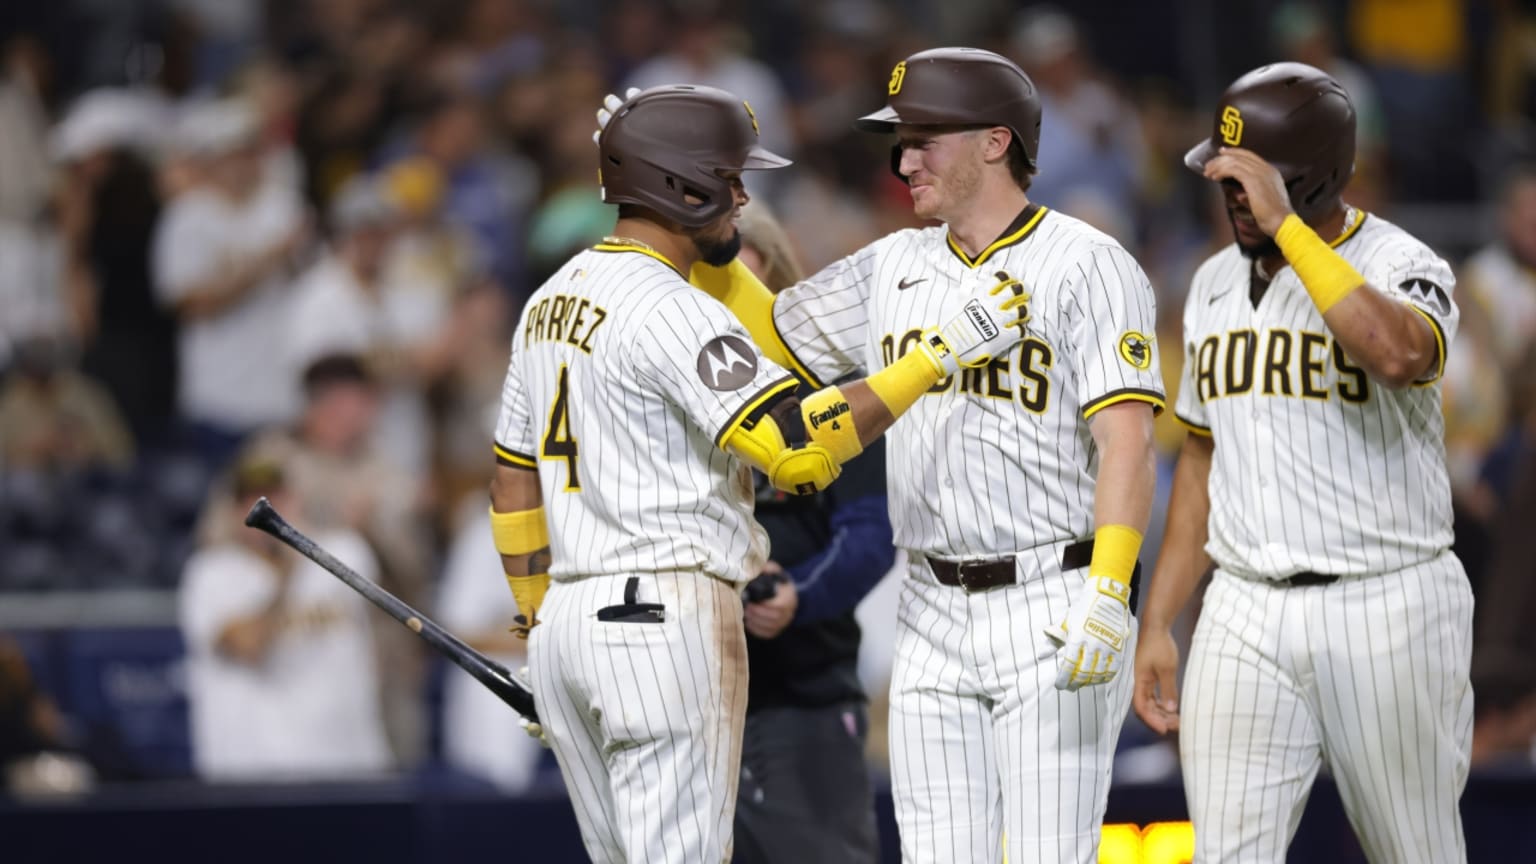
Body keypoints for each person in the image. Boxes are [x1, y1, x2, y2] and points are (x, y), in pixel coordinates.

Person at [621, 46, 1167, 862]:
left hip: (1050, 598)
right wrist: (672, 195)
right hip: (930, 604)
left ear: (994, 141)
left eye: (923, 139)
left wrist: (1110, 587)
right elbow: (761, 334)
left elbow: (1127, 440)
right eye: (900, 141)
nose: (903, 160)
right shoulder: (893, 264)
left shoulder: (1087, 263)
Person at [491, 84, 1027, 863]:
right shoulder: (673, 309)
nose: (743, 196)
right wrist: (935, 357)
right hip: (664, 617)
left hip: (570, 624)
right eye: (730, 177)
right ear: (683, 184)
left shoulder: (546, 302)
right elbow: (799, 453)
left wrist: (536, 624)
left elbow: (513, 485)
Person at [1132, 62, 1473, 863]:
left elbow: (1395, 352)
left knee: (1415, 850)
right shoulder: (1212, 282)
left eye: (1252, 182)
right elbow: (1200, 465)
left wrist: (1287, 225)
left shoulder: (1404, 264)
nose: (1234, 197)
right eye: (1226, 180)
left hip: (1386, 600)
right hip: (1245, 606)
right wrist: (1158, 621)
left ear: (1314, 179)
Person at [731, 203, 891, 864]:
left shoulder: (829, 389)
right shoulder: (663, 394)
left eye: (731, 274)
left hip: (804, 694)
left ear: (770, 272)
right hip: (690, 697)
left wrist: (796, 595)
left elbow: (871, 533)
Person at [179, 454, 392, 781]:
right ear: (236, 512)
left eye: (279, 498)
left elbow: (400, 612)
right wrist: (289, 573)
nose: (272, 511)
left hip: (352, 762)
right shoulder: (211, 573)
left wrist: (370, 525)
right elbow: (249, 648)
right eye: (255, 503)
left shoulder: (343, 551)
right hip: (256, 772)